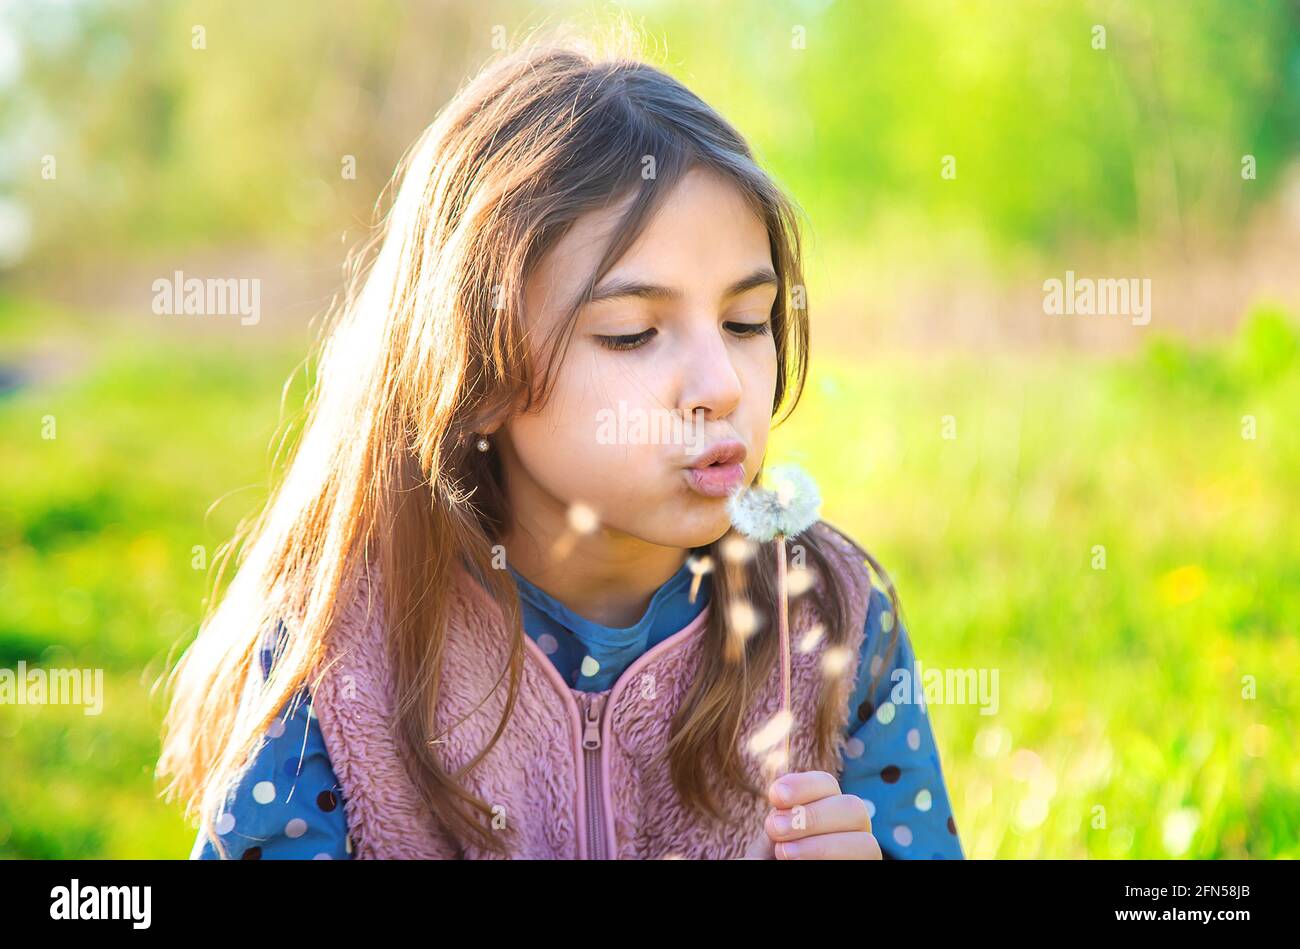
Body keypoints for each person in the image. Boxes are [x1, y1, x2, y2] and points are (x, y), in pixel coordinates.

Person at [161, 31, 963, 861]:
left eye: (745, 322)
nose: (719, 383)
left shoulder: (831, 616)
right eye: (630, 333)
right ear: (475, 377)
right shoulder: (341, 653)